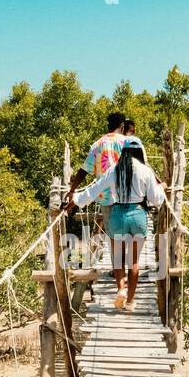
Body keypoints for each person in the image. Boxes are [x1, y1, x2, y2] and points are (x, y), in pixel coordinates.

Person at [67, 137, 166, 310]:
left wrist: (74, 200)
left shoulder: (114, 169)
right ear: (140, 151)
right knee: (134, 262)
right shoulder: (145, 170)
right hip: (138, 215)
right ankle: (130, 301)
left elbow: (93, 190)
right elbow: (156, 199)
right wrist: (162, 187)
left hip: (118, 215)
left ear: (124, 151)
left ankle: (121, 289)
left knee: (118, 258)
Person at [68, 112, 130, 288]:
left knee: (113, 236)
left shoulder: (98, 144)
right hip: (127, 195)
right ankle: (123, 271)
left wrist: (72, 189)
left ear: (107, 125)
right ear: (123, 126)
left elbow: (84, 169)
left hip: (106, 197)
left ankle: (118, 271)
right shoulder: (127, 142)